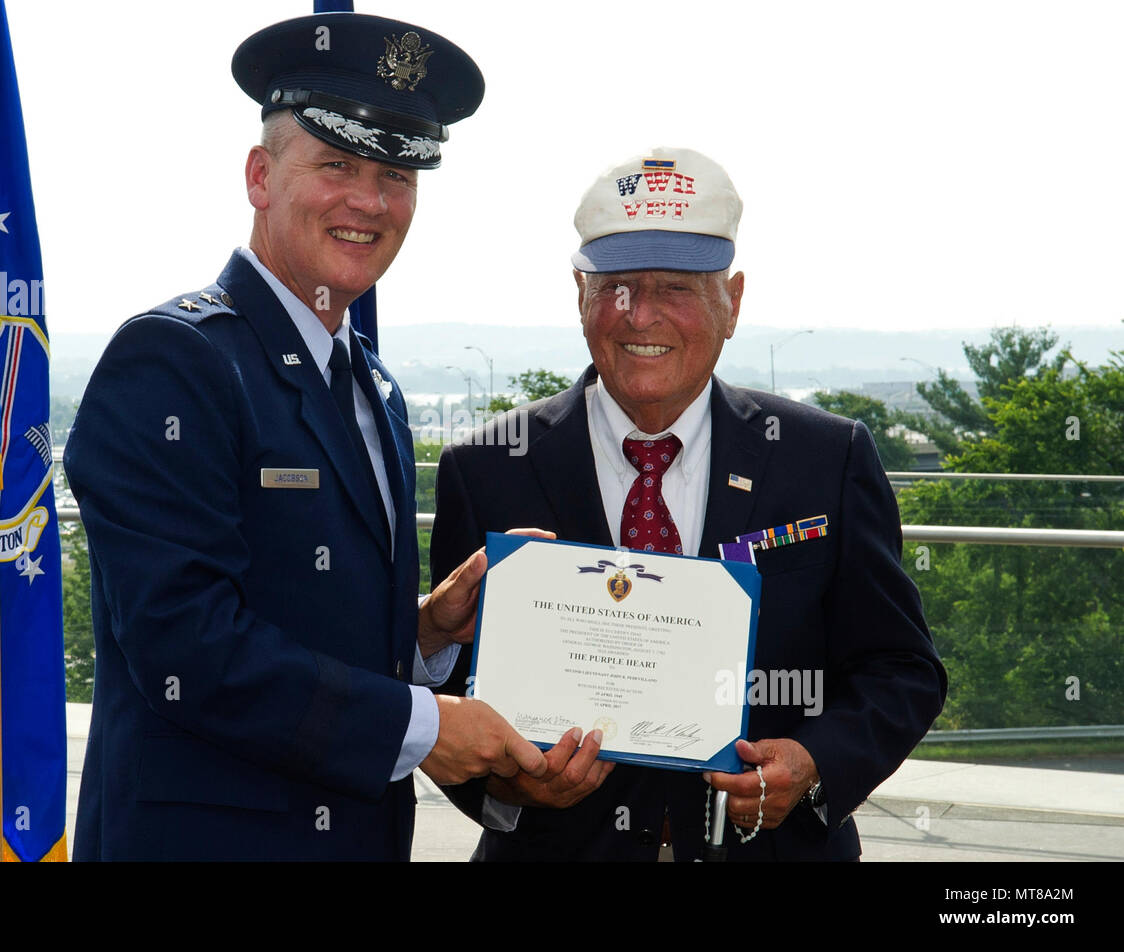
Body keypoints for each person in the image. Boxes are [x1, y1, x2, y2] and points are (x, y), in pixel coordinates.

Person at [64, 12, 547, 862]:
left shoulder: (373, 384)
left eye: (398, 175)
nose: (370, 201)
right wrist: (427, 725)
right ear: (260, 175)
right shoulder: (174, 360)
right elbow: (189, 644)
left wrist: (427, 631)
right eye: (337, 165)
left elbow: (309, 618)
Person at [431, 147, 947, 861]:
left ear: (731, 301)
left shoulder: (826, 459)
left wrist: (814, 763)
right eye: (614, 286)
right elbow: (444, 688)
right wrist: (509, 789)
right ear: (579, 293)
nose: (639, 314)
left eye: (675, 286)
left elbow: (901, 669)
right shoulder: (485, 465)